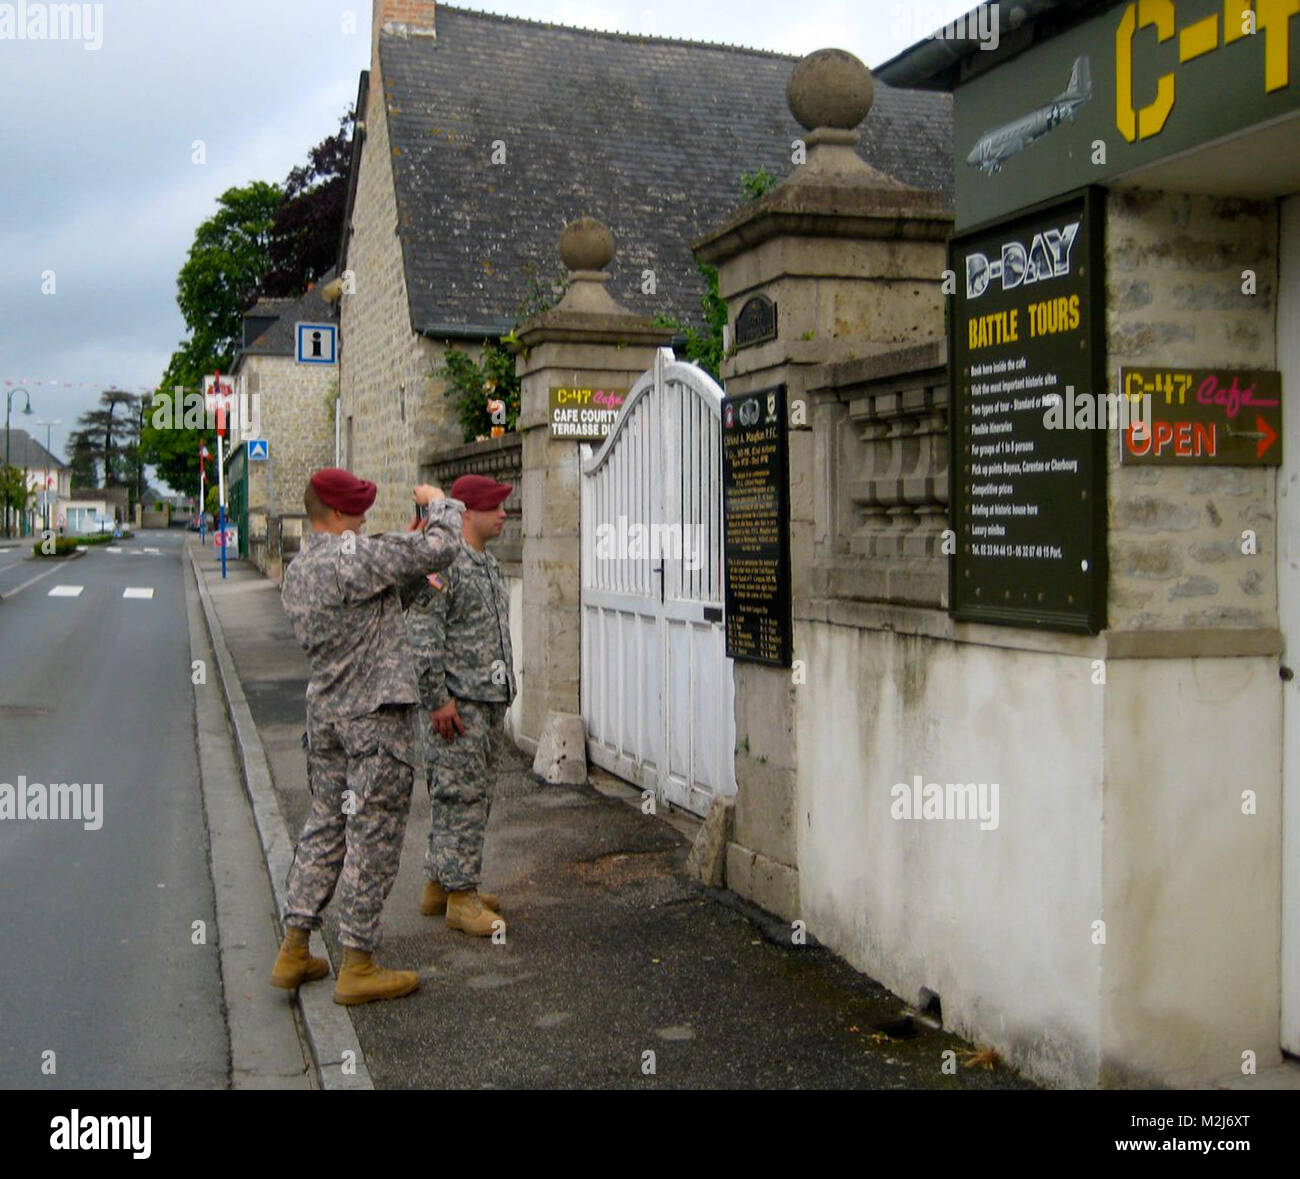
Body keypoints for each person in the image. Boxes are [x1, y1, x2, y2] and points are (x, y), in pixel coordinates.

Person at [270, 468, 463, 1004]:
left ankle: (294, 946)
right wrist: (440, 504)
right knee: (372, 836)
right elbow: (443, 548)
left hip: (327, 716)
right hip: (374, 721)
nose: (363, 521)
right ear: (333, 515)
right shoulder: (351, 556)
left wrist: (403, 571)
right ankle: (358, 963)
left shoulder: (301, 566)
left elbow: (369, 616)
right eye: (356, 513)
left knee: (326, 824)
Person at [403, 473, 516, 937]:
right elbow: (423, 635)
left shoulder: (488, 565)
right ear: (466, 512)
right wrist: (437, 700)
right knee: (461, 798)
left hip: (486, 701)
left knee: (470, 796)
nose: (504, 513)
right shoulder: (444, 565)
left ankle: (441, 883)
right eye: (495, 506)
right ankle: (462, 897)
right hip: (459, 706)